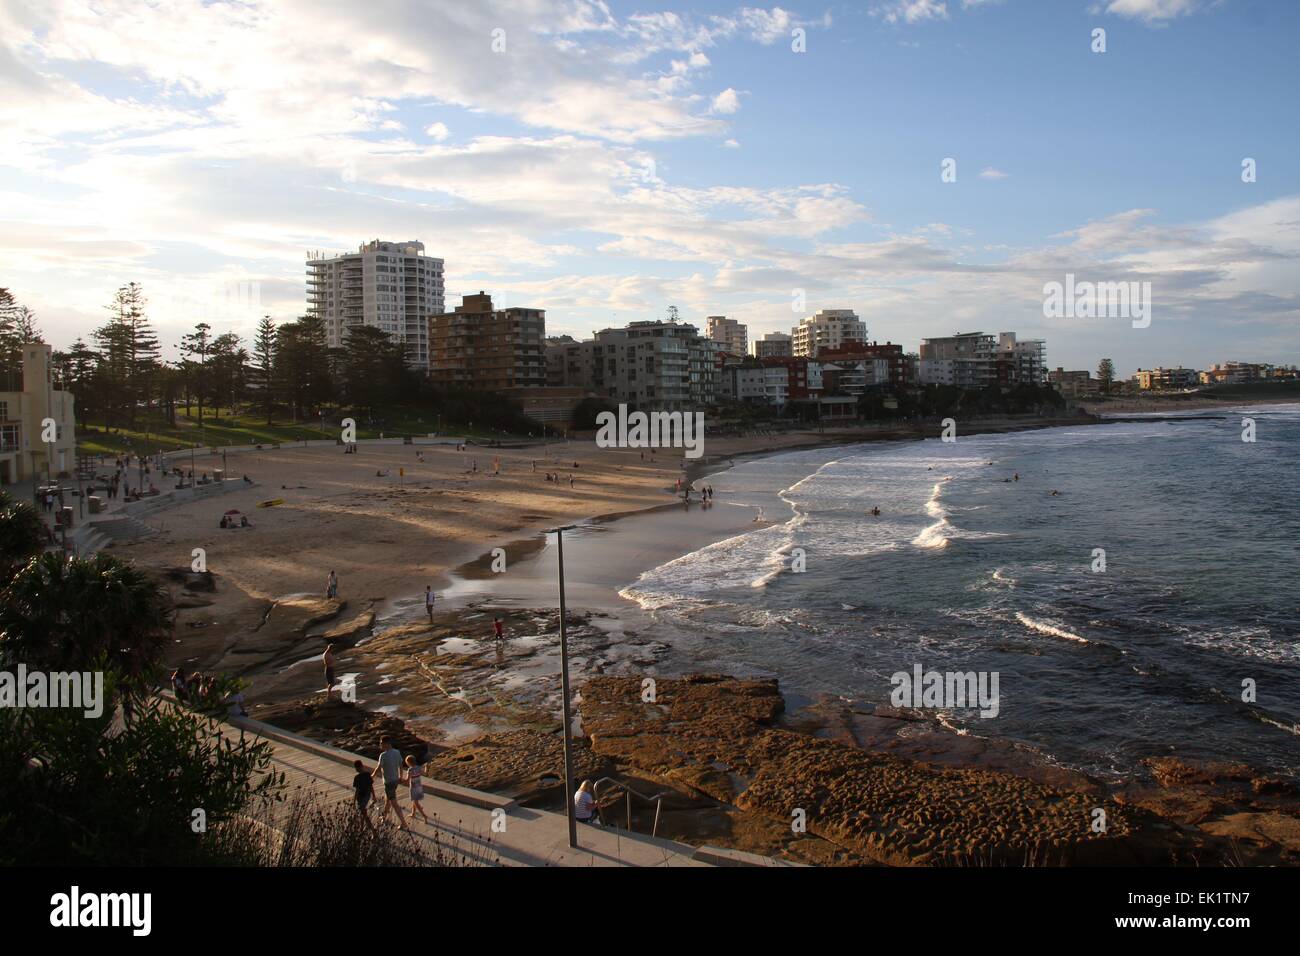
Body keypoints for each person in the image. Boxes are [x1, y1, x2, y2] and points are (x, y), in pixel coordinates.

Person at [372, 738, 409, 830]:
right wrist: (400, 776)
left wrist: (372, 776)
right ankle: (384, 817)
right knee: (387, 799)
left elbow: (378, 767)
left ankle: (404, 823)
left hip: (388, 782)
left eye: (381, 744)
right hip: (395, 780)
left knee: (394, 803)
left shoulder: (383, 755)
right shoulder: (397, 752)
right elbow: (400, 765)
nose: (380, 745)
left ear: (387, 744)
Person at [403, 755, 430, 824]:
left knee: (416, 802)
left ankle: (424, 816)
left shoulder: (410, 770)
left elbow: (407, 779)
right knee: (414, 801)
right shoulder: (418, 768)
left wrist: (400, 779)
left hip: (413, 788)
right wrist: (426, 767)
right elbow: (425, 773)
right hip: (419, 787)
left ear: (408, 762)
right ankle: (413, 813)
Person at [352, 759, 376, 830]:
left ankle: (373, 830)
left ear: (356, 768)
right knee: (362, 813)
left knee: (364, 814)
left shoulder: (357, 778)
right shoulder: (368, 774)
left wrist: (354, 801)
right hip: (367, 796)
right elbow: (371, 786)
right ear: (362, 766)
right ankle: (361, 828)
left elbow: (357, 790)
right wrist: (374, 796)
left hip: (361, 797)